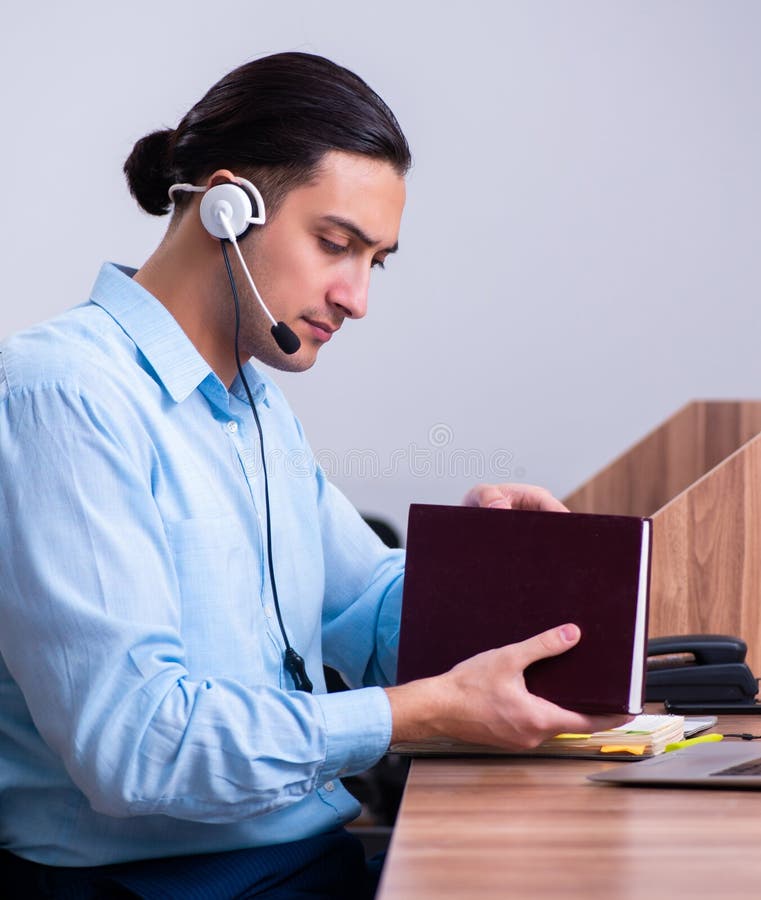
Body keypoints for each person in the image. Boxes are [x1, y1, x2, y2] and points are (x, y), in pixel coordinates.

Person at [0, 52, 628, 898]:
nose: (357, 297)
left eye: (376, 261)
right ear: (226, 208)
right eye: (336, 244)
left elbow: (362, 609)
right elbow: (138, 745)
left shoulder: (252, 407)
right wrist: (412, 716)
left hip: (300, 868)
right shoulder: (64, 396)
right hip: (169, 886)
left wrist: (491, 574)